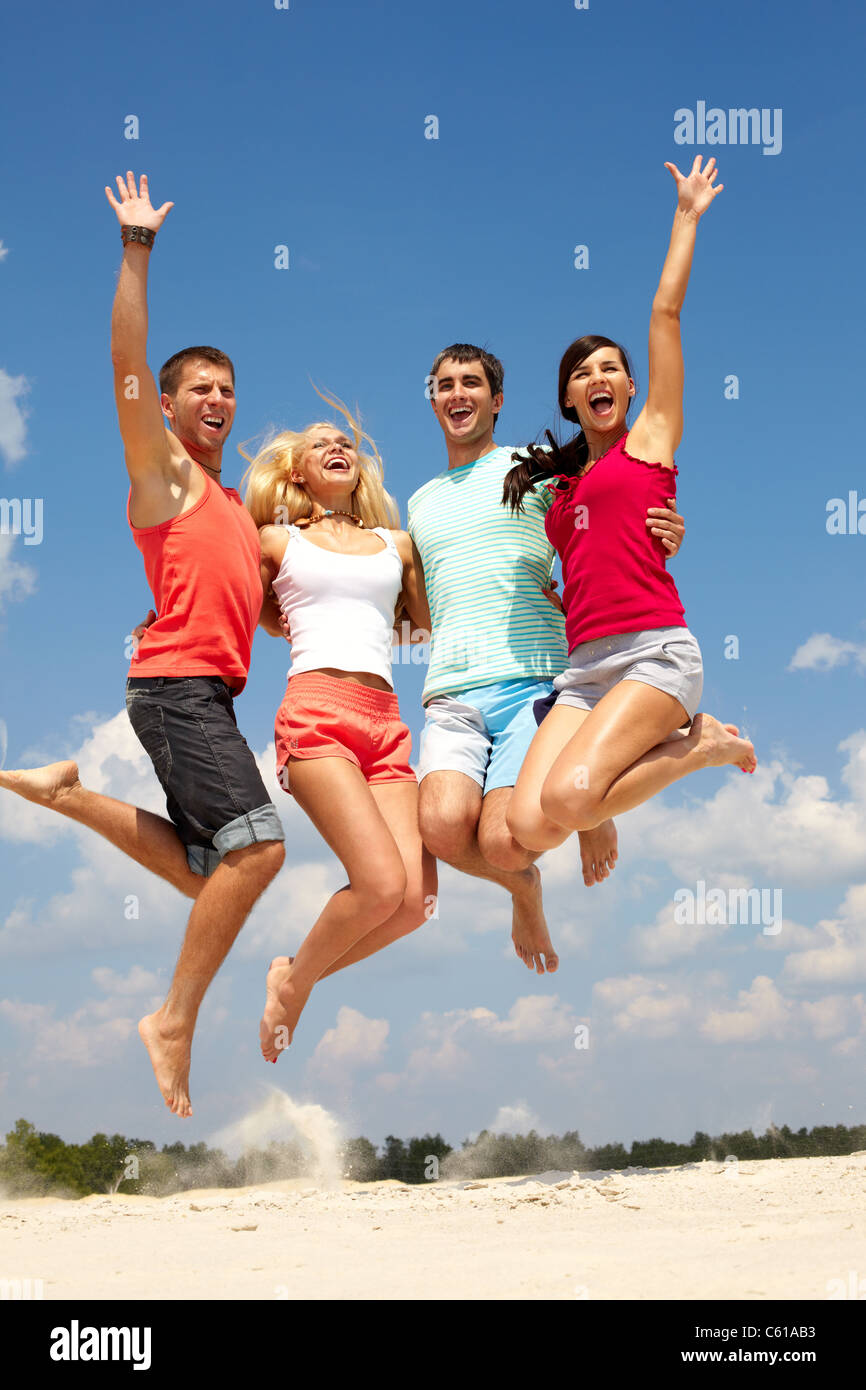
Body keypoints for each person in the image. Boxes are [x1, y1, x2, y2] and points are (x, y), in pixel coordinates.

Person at [0, 173, 286, 1118]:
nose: (218, 398)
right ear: (166, 406)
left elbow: (268, 608)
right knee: (258, 850)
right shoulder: (162, 472)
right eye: (199, 387)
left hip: (203, 695)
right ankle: (172, 1021)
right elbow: (126, 361)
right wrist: (136, 249)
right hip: (176, 690)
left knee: (213, 870)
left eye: (228, 390)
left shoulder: (239, 513)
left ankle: (67, 792)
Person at [503, 157, 756, 858]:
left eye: (609, 366)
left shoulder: (650, 440)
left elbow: (665, 313)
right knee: (527, 828)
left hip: (653, 651)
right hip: (584, 667)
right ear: (568, 400)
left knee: (571, 800)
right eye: (581, 373)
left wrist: (686, 216)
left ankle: (701, 745)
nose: (596, 377)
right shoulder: (555, 491)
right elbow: (589, 555)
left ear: (632, 385)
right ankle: (604, 797)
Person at [407, 345, 687, 973]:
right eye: (445, 385)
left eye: (472, 384)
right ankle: (524, 887)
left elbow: (610, 505)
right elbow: (423, 599)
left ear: (496, 401)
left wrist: (665, 526)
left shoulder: (533, 471)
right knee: (443, 827)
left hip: (534, 678)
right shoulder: (419, 502)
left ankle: (586, 810)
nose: (458, 395)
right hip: (452, 687)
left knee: (506, 843)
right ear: (432, 400)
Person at [242, 403, 437, 1060]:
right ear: (296, 471)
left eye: (345, 441)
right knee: (380, 883)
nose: (337, 446)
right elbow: (235, 602)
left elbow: (431, 623)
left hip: (386, 724)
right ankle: (296, 987)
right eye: (321, 443)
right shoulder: (276, 541)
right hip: (316, 716)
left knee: (411, 904)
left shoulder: (397, 545)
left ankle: (294, 976)